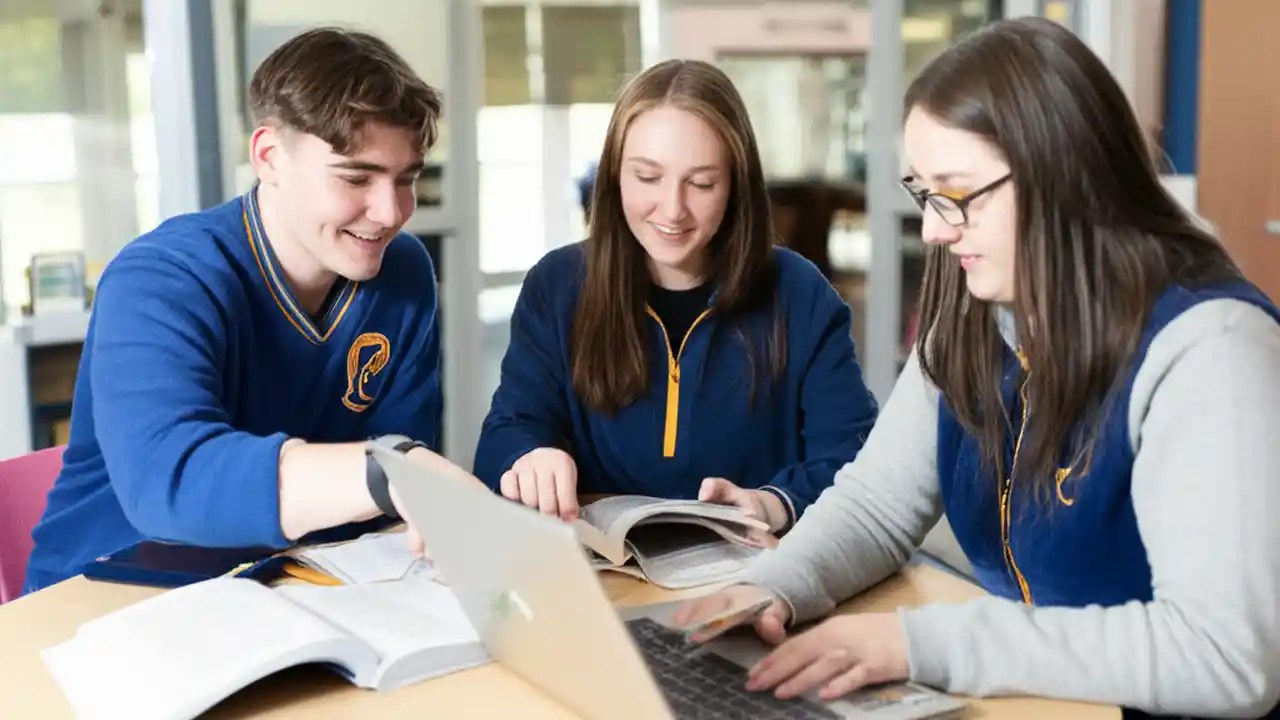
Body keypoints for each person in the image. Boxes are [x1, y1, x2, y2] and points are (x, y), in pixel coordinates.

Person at [674, 17, 1280, 718]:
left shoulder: (1212, 348)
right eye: (923, 192)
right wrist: (773, 586)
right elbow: (876, 505)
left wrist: (923, 644)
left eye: (957, 193)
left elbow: (1226, 657)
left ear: (1064, 177)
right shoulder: (975, 315)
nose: (934, 228)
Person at [24, 28, 464, 594]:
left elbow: (392, 491)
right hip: (107, 591)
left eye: (407, 178)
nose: (391, 211)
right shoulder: (159, 277)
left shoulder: (402, 271)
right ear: (269, 156)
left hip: (289, 583)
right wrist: (387, 471)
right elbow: (170, 480)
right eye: (357, 177)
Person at [472, 59, 879, 536]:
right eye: (648, 177)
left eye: (702, 183)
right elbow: (504, 435)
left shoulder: (800, 293)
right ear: (614, 176)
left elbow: (856, 461)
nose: (672, 209)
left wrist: (774, 504)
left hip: (751, 575)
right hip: (598, 577)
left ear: (734, 185)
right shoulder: (557, 285)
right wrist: (528, 456)